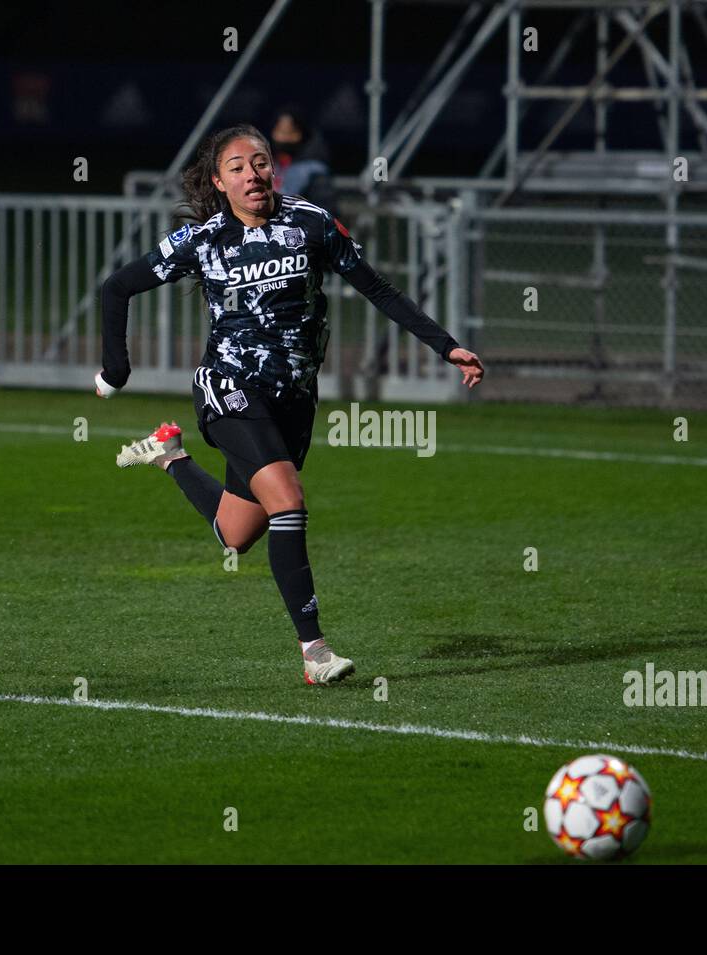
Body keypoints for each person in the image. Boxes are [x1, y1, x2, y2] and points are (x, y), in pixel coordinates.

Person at [97, 123, 483, 686]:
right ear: (218, 181)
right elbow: (116, 288)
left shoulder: (311, 223)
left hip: (293, 400)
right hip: (228, 387)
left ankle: (170, 455)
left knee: (236, 534)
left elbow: (378, 288)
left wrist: (446, 346)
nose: (252, 174)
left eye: (259, 163)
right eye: (236, 167)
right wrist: (116, 371)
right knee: (287, 497)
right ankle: (315, 652)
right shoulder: (200, 241)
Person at [269, 106, 337, 217]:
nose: (285, 138)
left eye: (291, 133)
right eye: (280, 131)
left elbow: (325, 211)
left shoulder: (314, 170)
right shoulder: (267, 164)